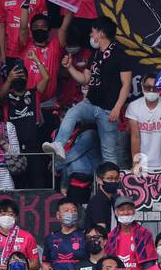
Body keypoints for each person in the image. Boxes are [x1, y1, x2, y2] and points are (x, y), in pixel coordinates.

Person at [41, 20, 131, 167]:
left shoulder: (120, 54)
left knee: (109, 153)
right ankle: (59, 145)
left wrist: (117, 107)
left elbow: (126, 85)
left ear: (101, 33)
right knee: (72, 113)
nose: (90, 34)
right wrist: (70, 67)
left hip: (108, 110)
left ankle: (112, 185)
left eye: (93, 31)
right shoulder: (95, 55)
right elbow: (85, 80)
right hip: (90, 103)